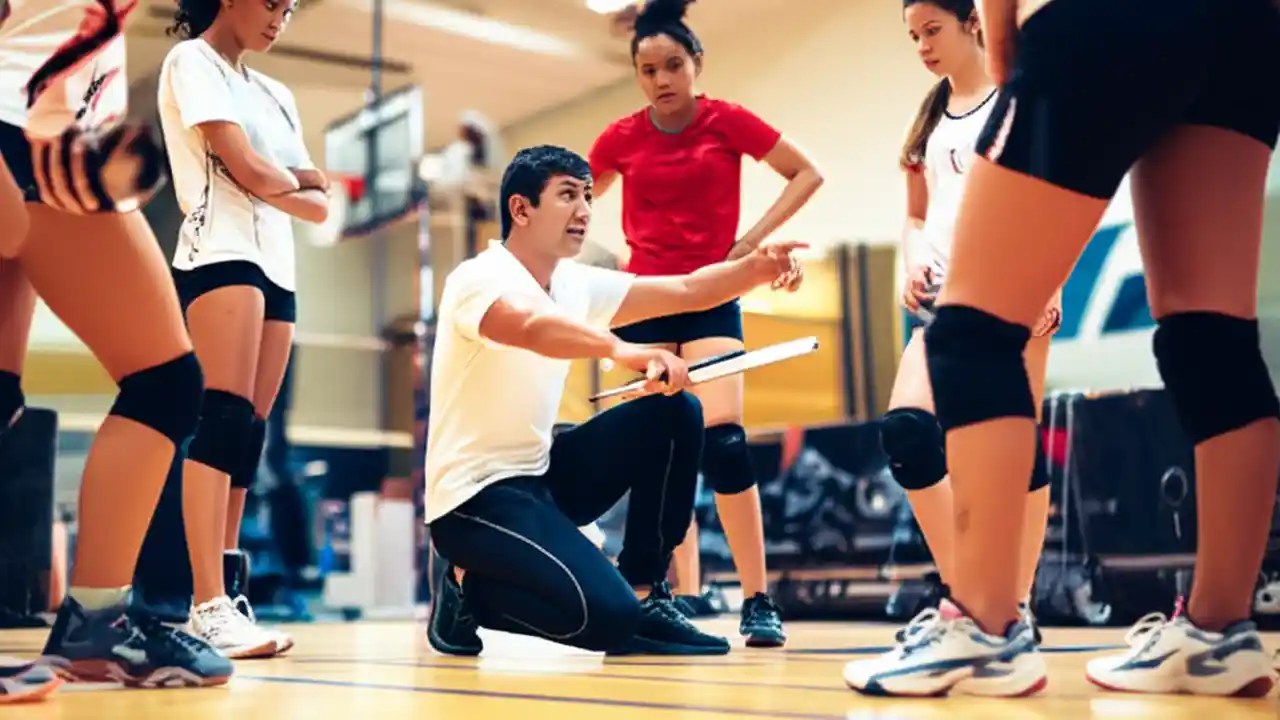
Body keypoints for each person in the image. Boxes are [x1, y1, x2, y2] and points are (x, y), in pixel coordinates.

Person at [844, 0, 1280, 699]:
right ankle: (1217, 631)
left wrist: (1007, 35)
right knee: (1212, 339)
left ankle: (986, 630)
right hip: (1247, 30)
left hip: (1112, 21)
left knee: (972, 329)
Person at [424, 144, 806, 657]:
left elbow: (689, 289)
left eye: (587, 195)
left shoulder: (576, 282)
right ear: (521, 209)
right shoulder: (478, 278)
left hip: (542, 477)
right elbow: (532, 327)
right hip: (473, 500)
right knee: (606, 619)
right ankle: (466, 591)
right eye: (566, 195)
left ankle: (648, 590)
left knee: (675, 412)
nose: (584, 209)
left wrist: (756, 271)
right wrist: (620, 348)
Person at [0, 0, 231, 688]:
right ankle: (96, 624)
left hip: (47, 126)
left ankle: (97, 627)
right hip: (32, 127)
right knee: (164, 381)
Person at [588, 0, 823, 648]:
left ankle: (757, 598)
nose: (661, 80)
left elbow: (808, 172)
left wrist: (752, 243)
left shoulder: (726, 122)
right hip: (646, 299)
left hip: (713, 291)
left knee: (723, 442)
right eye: (647, 70)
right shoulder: (620, 138)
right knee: (659, 447)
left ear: (696, 64)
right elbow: (577, 198)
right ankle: (655, 589)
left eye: (672, 66)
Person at [865, 0, 1058, 651]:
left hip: (1019, 292)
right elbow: (917, 217)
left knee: (1016, 457)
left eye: (932, 30)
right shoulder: (928, 120)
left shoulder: (1014, 95)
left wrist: (1050, 280)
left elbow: (1054, 189)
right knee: (908, 433)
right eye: (912, 35)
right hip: (945, 304)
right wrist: (910, 257)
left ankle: (1015, 608)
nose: (921, 45)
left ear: (972, 21)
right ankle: (974, 601)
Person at [155, 0, 326, 658]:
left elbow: (317, 200)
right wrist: (279, 179)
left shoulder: (276, 92)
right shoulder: (188, 61)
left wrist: (269, 179)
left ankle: (227, 588)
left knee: (251, 432)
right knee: (221, 417)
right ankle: (204, 602)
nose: (280, 17)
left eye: (289, 8)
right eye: (271, 2)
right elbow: (248, 168)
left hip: (277, 264)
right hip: (218, 253)